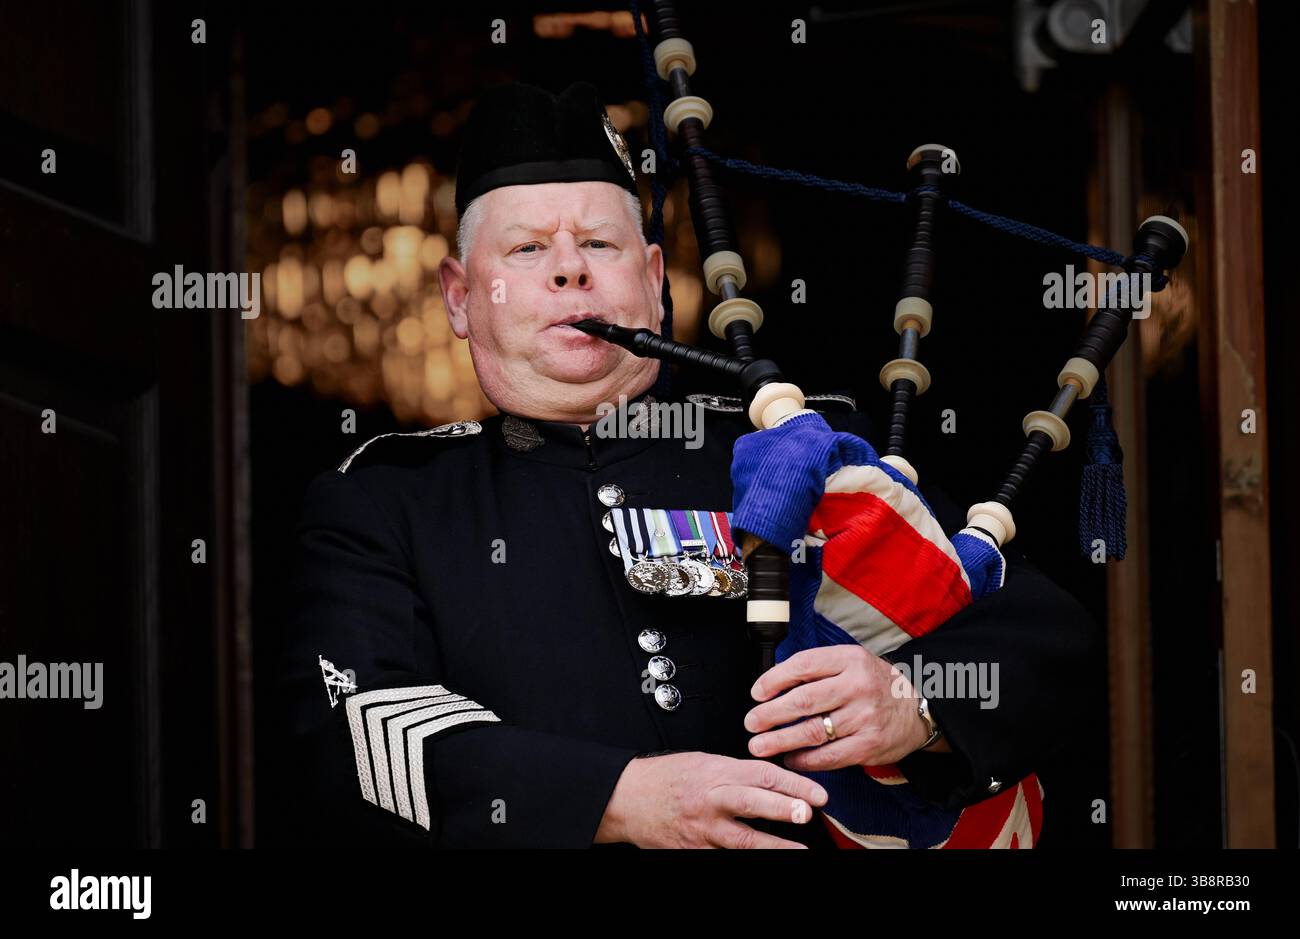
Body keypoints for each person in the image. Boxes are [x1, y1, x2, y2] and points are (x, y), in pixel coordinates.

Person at [275, 82, 1096, 848]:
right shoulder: (385, 501)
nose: (570, 267)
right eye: (526, 248)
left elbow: (1041, 633)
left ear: (656, 281)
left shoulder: (803, 445)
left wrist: (915, 703)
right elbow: (357, 728)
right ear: (460, 296)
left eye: (598, 241)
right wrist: (620, 796)